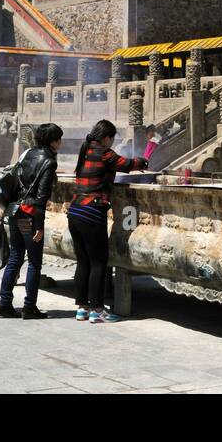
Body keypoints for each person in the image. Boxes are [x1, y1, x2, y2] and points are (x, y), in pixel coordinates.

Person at [68, 119, 144, 323]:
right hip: (92, 212)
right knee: (98, 263)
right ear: (106, 137)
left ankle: (82, 308)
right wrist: (142, 161)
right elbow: (126, 164)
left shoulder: (86, 150)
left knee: (83, 262)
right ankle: (97, 310)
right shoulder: (104, 152)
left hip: (75, 211)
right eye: (112, 138)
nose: (112, 142)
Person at [0, 123, 62, 319]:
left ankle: (4, 303)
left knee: (16, 257)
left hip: (16, 211)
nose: (61, 142)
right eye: (59, 139)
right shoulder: (49, 162)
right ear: (53, 141)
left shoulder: (27, 154)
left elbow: (15, 181)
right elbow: (41, 197)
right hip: (31, 215)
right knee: (34, 263)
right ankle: (29, 307)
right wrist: (39, 227)